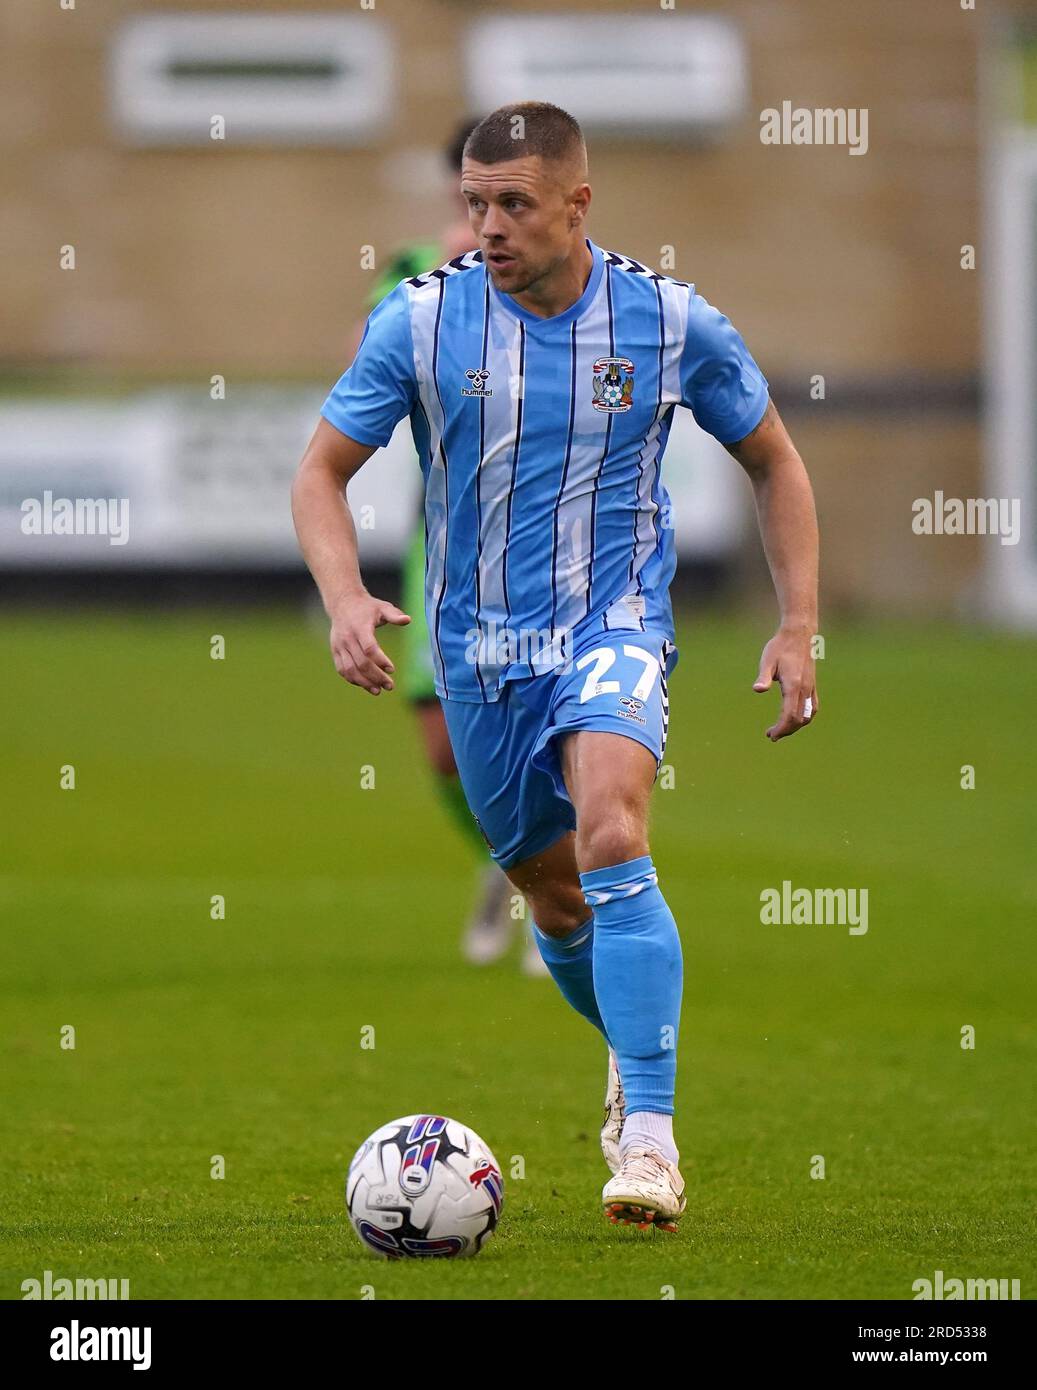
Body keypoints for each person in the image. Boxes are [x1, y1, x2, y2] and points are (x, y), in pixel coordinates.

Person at [292, 101, 820, 1231]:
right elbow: (320, 472)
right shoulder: (421, 320)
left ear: (577, 205)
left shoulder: (666, 321)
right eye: (475, 203)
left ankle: (651, 1140)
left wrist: (797, 623)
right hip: (478, 652)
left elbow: (773, 458)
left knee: (613, 833)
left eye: (514, 205)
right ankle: (629, 1049)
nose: (487, 226)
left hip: (611, 625)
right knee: (554, 893)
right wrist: (343, 599)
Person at [344, 120, 543, 973]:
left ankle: (558, 887)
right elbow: (364, 369)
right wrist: (445, 276)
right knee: (441, 740)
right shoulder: (416, 266)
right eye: (474, 190)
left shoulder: (551, 267)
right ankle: (511, 861)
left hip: (548, 533)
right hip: (449, 539)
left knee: (550, 723)